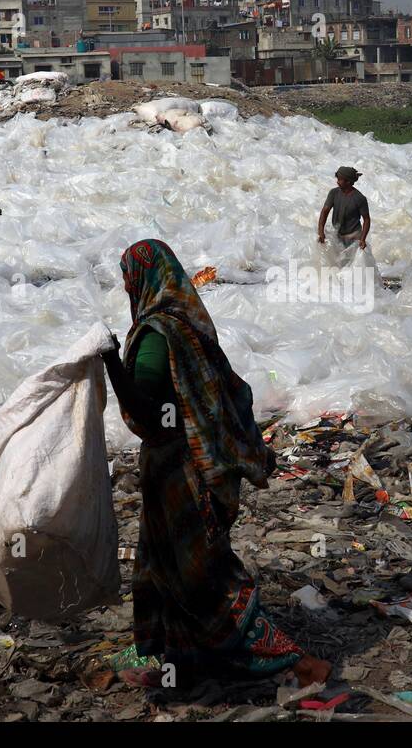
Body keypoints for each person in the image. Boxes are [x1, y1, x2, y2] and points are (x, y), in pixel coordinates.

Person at [100, 239, 330, 688]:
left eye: (130, 274)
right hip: (203, 464)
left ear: (141, 279)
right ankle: (178, 659)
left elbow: (146, 412)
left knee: (205, 576)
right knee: (169, 568)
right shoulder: (189, 324)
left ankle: (298, 664)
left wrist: (111, 360)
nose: (127, 283)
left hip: (179, 473)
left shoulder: (154, 335)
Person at [317, 166, 371, 251]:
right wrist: (321, 232)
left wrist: (362, 239)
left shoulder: (360, 198)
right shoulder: (333, 193)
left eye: (339, 180)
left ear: (348, 182)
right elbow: (324, 211)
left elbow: (366, 219)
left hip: (354, 237)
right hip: (337, 235)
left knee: (351, 263)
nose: (337, 182)